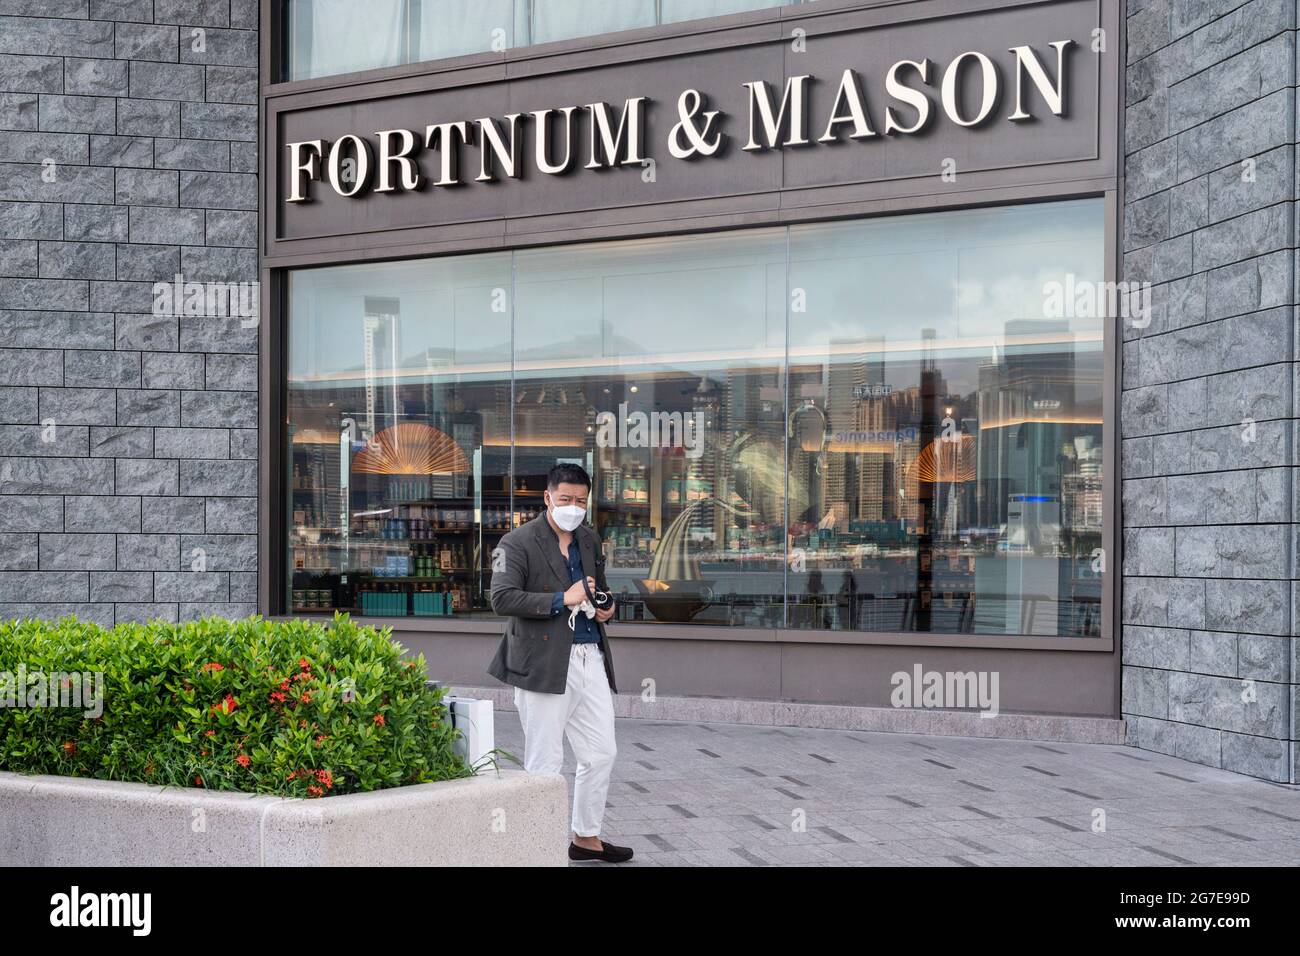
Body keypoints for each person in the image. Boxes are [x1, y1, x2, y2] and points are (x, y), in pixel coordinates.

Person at [488, 463, 633, 863]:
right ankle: (539, 845)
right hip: (543, 662)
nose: (574, 507)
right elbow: (500, 598)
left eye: (581, 501)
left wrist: (606, 606)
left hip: (590, 658)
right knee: (545, 763)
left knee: (601, 753)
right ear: (548, 497)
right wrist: (561, 599)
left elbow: (595, 589)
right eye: (566, 499)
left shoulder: (589, 539)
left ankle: (585, 839)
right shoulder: (513, 543)